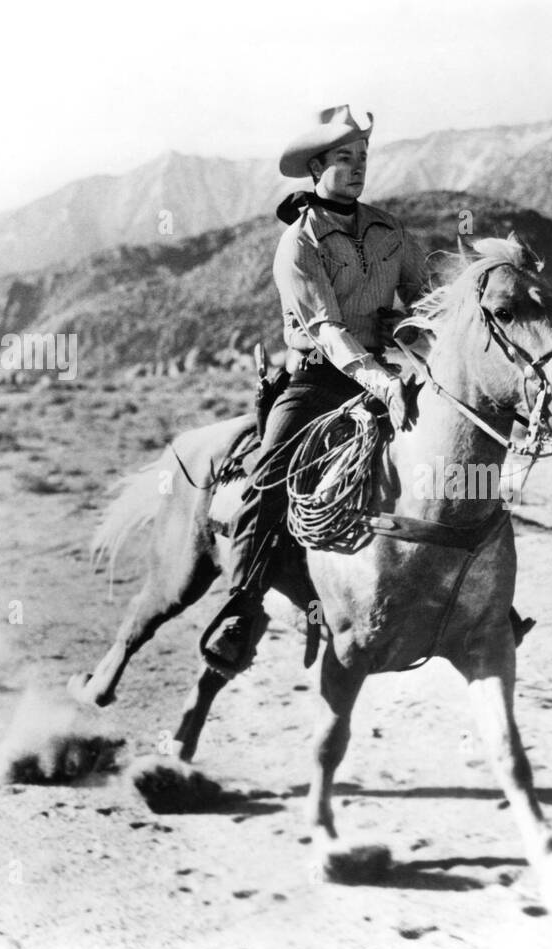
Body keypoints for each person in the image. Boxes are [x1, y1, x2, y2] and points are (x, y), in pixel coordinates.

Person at [201, 105, 425, 677]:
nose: (357, 169)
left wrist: (424, 336)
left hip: (385, 374)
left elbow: (422, 300)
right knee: (268, 479)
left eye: (363, 159)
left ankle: (483, 598)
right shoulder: (297, 244)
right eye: (344, 160)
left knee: (451, 460)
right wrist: (380, 378)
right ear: (316, 168)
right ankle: (239, 610)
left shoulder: (390, 230)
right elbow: (325, 329)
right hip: (318, 382)